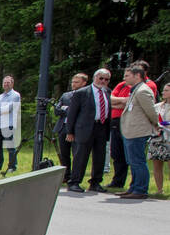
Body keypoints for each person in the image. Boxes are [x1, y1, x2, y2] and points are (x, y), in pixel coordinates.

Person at [108, 62, 158, 191]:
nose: (124, 78)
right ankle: (133, 188)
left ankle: (140, 189)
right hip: (130, 130)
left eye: (127, 75)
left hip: (138, 131)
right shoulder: (135, 90)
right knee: (132, 161)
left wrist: (156, 125)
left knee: (138, 161)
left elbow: (151, 111)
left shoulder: (142, 91)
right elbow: (113, 102)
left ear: (137, 76)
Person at [65, 68, 114, 192]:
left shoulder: (107, 92)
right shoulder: (82, 92)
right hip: (85, 128)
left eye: (106, 79)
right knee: (81, 155)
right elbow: (72, 113)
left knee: (100, 156)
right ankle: (74, 181)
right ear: (94, 78)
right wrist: (70, 131)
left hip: (101, 127)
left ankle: (95, 182)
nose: (103, 81)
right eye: (101, 78)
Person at [54, 73, 88, 185]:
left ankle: (75, 177)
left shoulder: (86, 95)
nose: (73, 84)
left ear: (84, 83)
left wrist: (68, 109)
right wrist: (69, 109)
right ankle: (66, 175)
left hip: (76, 129)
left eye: (76, 82)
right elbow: (57, 110)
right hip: (62, 127)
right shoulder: (65, 95)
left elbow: (80, 112)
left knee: (76, 154)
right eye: (73, 82)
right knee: (64, 154)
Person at [0, 75, 22, 173]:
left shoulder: (16, 95)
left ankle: (12, 167)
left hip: (8, 125)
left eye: (8, 82)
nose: (6, 84)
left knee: (10, 148)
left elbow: (9, 108)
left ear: (12, 84)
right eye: (4, 82)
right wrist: (0, 110)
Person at [151, 82, 170, 195]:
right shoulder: (157, 106)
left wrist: (165, 123)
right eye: (163, 90)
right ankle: (159, 190)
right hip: (157, 138)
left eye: (166, 90)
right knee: (157, 165)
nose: (163, 92)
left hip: (169, 139)